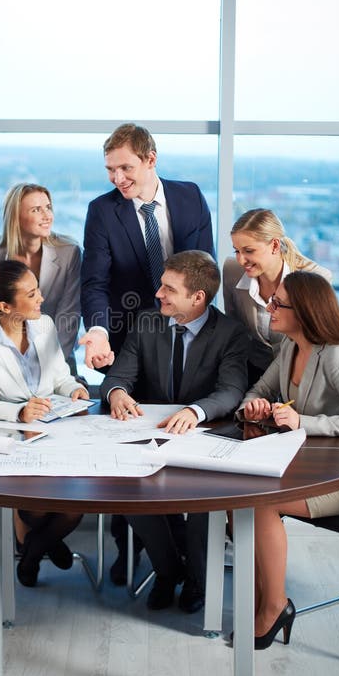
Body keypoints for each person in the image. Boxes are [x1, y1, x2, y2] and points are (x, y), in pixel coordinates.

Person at [80, 123, 216, 582]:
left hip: (184, 333)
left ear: (150, 158)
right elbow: (94, 281)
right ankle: (130, 548)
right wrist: (97, 331)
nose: (118, 178)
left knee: (182, 438)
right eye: (110, 169)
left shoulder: (190, 197)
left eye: (126, 167)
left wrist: (192, 325)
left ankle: (184, 555)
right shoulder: (102, 211)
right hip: (127, 337)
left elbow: (205, 269)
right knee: (124, 445)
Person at [237, 270, 339, 649]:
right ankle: (258, 602)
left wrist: (303, 421)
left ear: (305, 311)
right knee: (240, 503)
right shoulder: (290, 347)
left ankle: (275, 608)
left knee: (259, 505)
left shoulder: (337, 356)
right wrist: (254, 406)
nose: (269, 307)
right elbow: (259, 390)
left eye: (278, 303)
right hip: (308, 468)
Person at [100, 251, 248, 612]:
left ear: (197, 298)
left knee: (203, 504)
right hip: (151, 433)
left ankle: (197, 581)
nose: (158, 294)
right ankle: (167, 571)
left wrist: (195, 411)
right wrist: (117, 392)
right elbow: (119, 376)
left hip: (205, 433)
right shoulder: (148, 322)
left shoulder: (230, 332)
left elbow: (231, 390)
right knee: (129, 491)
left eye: (169, 288)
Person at [0, 260, 90, 588]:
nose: (41, 298)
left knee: (74, 506)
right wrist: (17, 413)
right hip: (13, 437)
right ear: (5, 306)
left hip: (56, 428)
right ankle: (43, 546)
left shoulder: (43, 325)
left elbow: (60, 376)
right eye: (32, 294)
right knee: (34, 510)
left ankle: (32, 550)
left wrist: (75, 390)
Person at [223, 208, 331, 384]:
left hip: (300, 375)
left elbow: (320, 343)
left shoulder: (315, 279)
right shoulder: (231, 270)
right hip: (252, 373)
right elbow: (235, 329)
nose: (241, 260)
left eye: (249, 251)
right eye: (236, 251)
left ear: (274, 245)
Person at [0, 183, 81, 371]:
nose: (47, 216)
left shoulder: (69, 252)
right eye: (36, 210)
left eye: (48, 207)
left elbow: (68, 318)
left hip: (56, 358)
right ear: (16, 217)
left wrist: (47, 371)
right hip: (5, 362)